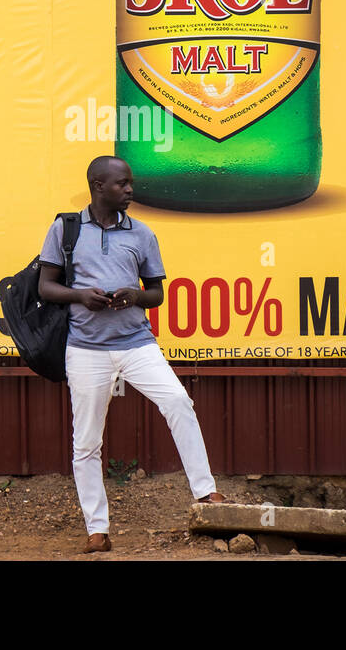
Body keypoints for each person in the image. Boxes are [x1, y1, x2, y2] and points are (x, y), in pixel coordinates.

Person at [38, 155, 225, 553]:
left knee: (178, 401)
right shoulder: (65, 229)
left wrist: (136, 295)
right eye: (122, 183)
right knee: (86, 442)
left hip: (137, 343)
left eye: (130, 182)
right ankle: (97, 529)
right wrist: (80, 296)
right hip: (85, 349)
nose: (129, 189)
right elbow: (45, 287)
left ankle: (206, 493)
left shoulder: (142, 234)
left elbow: (157, 293)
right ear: (97, 185)